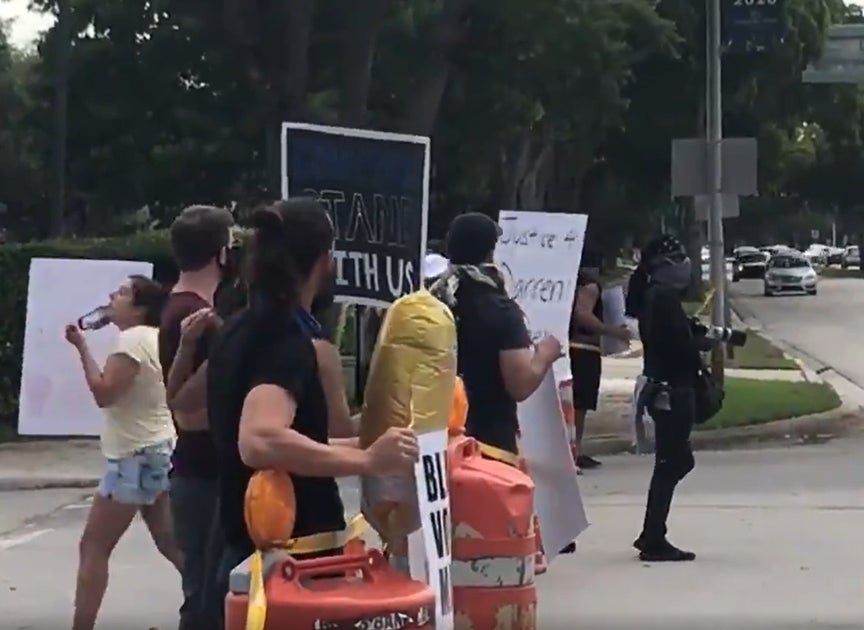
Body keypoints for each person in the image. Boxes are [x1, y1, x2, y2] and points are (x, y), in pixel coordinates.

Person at [202, 199, 419, 618]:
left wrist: (366, 444)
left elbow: (288, 434)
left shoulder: (238, 329)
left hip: (245, 554)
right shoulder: (285, 340)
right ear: (325, 262)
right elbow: (260, 439)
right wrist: (367, 459)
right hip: (290, 568)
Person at [67, 275, 184, 630]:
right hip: (159, 446)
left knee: (94, 546)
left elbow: (105, 393)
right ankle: (213, 605)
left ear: (139, 307)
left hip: (134, 455)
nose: (111, 297)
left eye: (121, 293)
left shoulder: (131, 341)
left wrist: (81, 348)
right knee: (171, 542)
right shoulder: (155, 338)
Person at [157, 204, 235, 630]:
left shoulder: (181, 304)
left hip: (196, 468)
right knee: (208, 597)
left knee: (205, 590)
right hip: (205, 470)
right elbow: (188, 410)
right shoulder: (198, 317)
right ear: (221, 253)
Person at [429, 212, 561, 460]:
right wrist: (545, 355)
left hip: (439, 443)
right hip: (490, 447)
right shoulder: (501, 310)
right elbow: (519, 384)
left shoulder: (434, 301)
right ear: (491, 253)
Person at [624, 235, 704, 562]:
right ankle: (653, 536)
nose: (686, 265)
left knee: (674, 461)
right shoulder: (663, 298)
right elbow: (678, 347)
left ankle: (652, 532)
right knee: (672, 462)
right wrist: (700, 345)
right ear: (664, 266)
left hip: (662, 386)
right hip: (671, 389)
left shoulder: (653, 296)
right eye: (679, 258)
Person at [569, 248, 631, 470]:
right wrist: (612, 331)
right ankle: (573, 450)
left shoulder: (567, 281)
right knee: (580, 404)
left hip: (568, 347)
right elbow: (582, 313)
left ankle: (573, 448)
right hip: (583, 348)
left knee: (573, 402)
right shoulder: (589, 285)